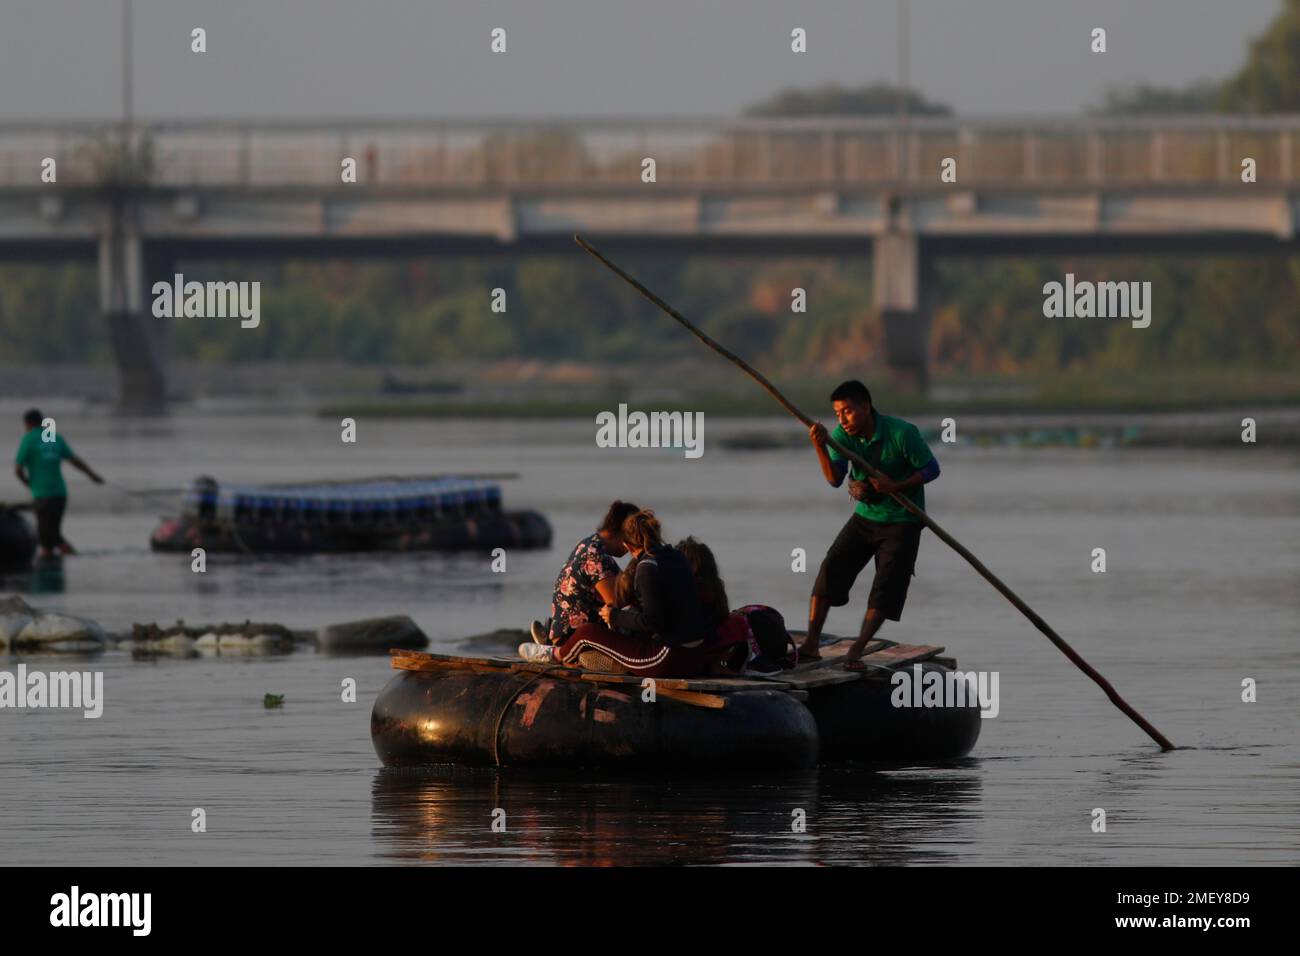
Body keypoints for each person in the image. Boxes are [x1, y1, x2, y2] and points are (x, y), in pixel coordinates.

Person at [799, 381, 939, 670]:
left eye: (848, 411)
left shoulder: (902, 433)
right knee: (830, 570)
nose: (842, 419)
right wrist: (819, 446)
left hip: (903, 521)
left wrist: (896, 485)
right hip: (865, 518)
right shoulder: (841, 436)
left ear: (866, 407)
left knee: (885, 589)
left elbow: (931, 469)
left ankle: (856, 650)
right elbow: (834, 479)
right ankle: (811, 645)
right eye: (838, 413)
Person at [521, 510, 712, 678]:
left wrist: (615, 616)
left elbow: (652, 622)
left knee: (586, 632)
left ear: (627, 545)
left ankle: (553, 655)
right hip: (694, 657)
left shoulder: (646, 567)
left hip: (666, 660)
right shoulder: (677, 557)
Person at [531, 500, 641, 645]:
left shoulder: (589, 544)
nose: (631, 545)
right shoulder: (596, 556)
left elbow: (622, 585)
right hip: (574, 639)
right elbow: (618, 603)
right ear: (622, 532)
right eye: (633, 536)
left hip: (564, 632)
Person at [13, 409, 104, 559]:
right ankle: (55, 563)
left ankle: (71, 560)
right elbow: (74, 460)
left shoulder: (28, 439)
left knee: (48, 537)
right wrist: (92, 476)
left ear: (27, 424)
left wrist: (27, 483)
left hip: (42, 495)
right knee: (52, 535)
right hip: (60, 494)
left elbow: (18, 469)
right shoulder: (55, 438)